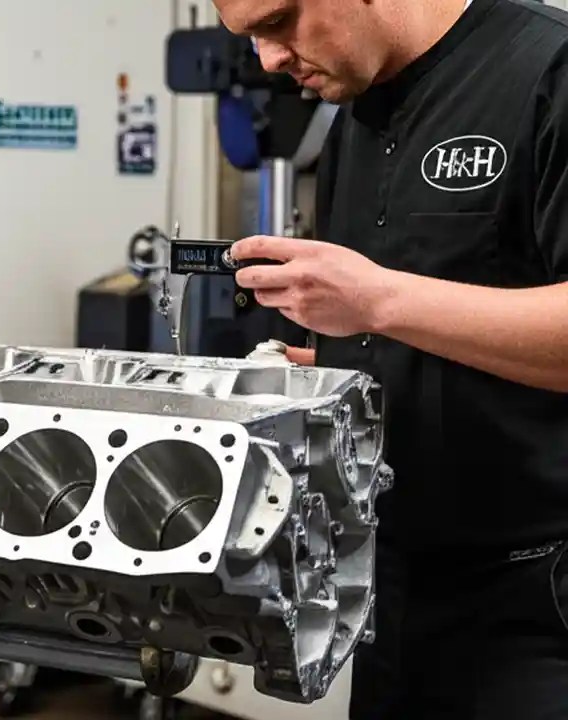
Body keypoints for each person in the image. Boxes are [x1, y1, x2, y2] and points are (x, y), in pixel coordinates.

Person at [212, 0, 568, 718]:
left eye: (278, 22)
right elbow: (440, 330)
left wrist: (375, 301)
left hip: (535, 604)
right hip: (388, 587)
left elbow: (391, 302)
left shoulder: (548, 69)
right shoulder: (357, 111)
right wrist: (317, 365)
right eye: (249, 37)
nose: (269, 60)